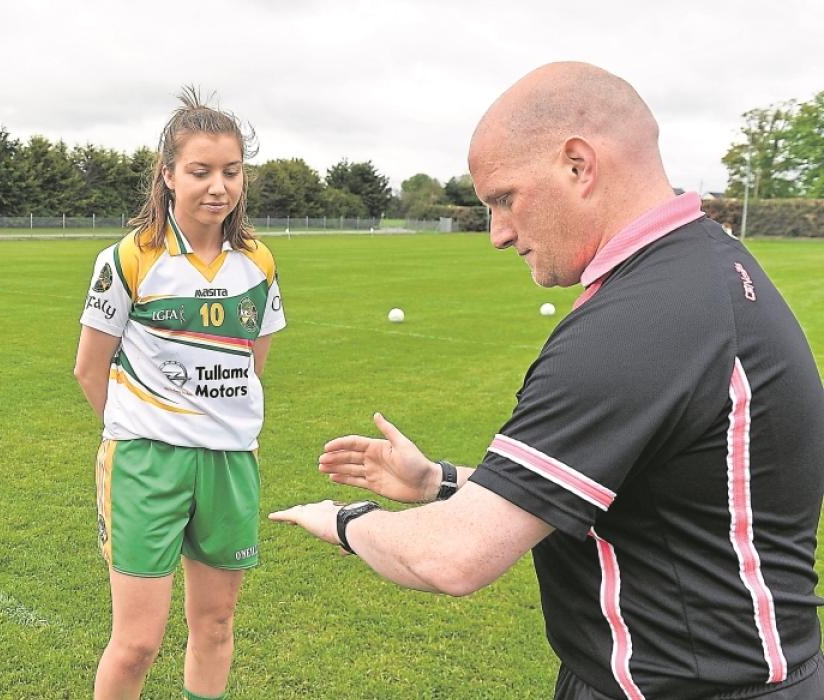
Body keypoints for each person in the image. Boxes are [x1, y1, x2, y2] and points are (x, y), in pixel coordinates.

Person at [270, 62, 824, 699]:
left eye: (504, 198)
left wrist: (342, 521)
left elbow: (454, 556)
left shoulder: (646, 318)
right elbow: (625, 503)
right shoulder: (699, 271)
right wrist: (438, 482)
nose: (498, 235)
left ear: (579, 165)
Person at [74, 88, 285, 700]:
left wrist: (218, 424)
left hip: (230, 463)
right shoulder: (129, 259)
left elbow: (252, 365)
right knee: (137, 642)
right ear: (167, 175)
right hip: (147, 463)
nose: (217, 186)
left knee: (215, 626)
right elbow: (91, 370)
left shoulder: (259, 263)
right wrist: (140, 430)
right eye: (199, 172)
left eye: (231, 171)